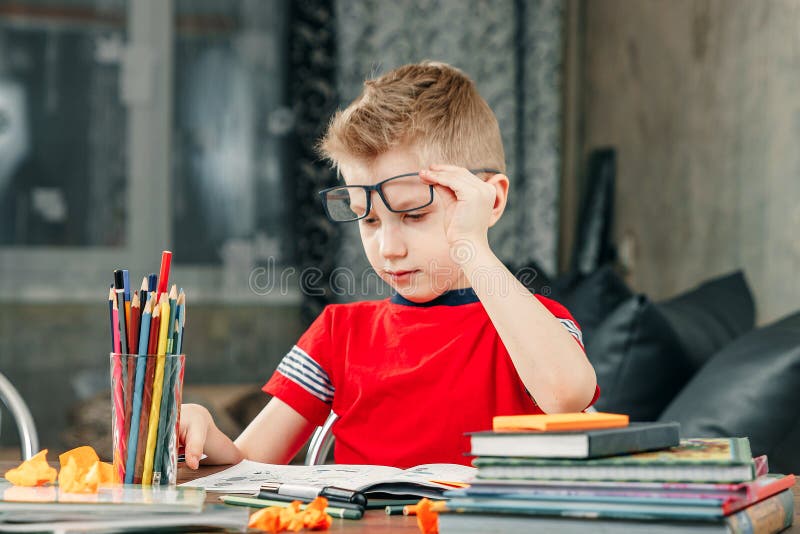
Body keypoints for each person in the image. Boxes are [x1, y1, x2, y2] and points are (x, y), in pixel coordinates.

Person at [180, 61, 598, 470]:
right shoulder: (337, 336)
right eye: (369, 218)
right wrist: (208, 438)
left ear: (490, 201)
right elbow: (248, 467)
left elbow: (567, 394)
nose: (388, 247)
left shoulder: (531, 327)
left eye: (414, 214)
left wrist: (471, 244)